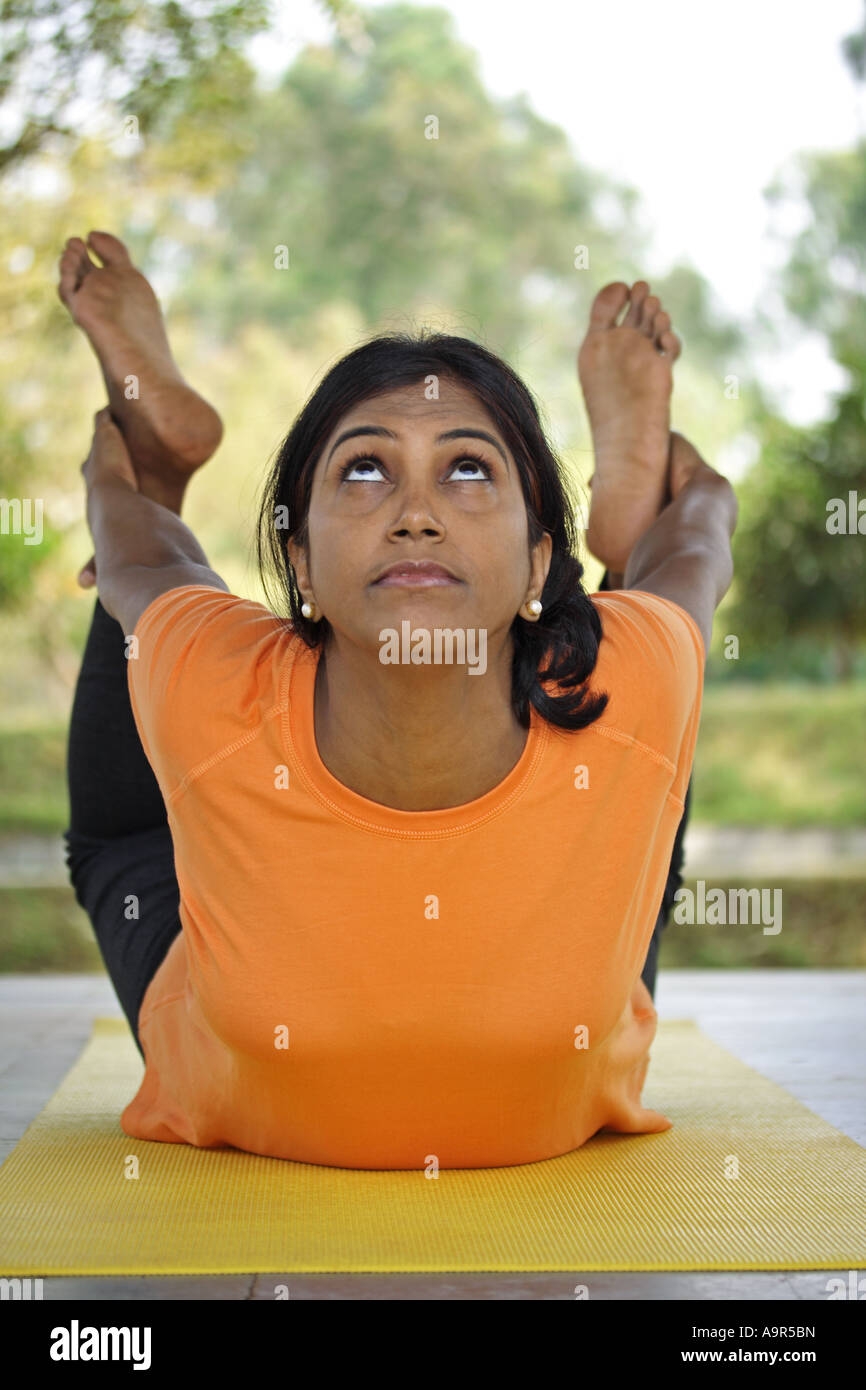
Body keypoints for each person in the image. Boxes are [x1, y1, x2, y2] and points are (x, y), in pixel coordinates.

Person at [59, 231, 737, 1169]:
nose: (416, 512)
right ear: (301, 563)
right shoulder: (217, 686)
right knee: (638, 719)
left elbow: (694, 556)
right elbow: (141, 556)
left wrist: (697, 497)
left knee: (638, 741)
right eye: (366, 468)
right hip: (232, 930)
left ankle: (619, 528)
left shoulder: (635, 677)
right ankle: (162, 455)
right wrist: (119, 474)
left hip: (591, 840)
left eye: (467, 468)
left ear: (541, 558)